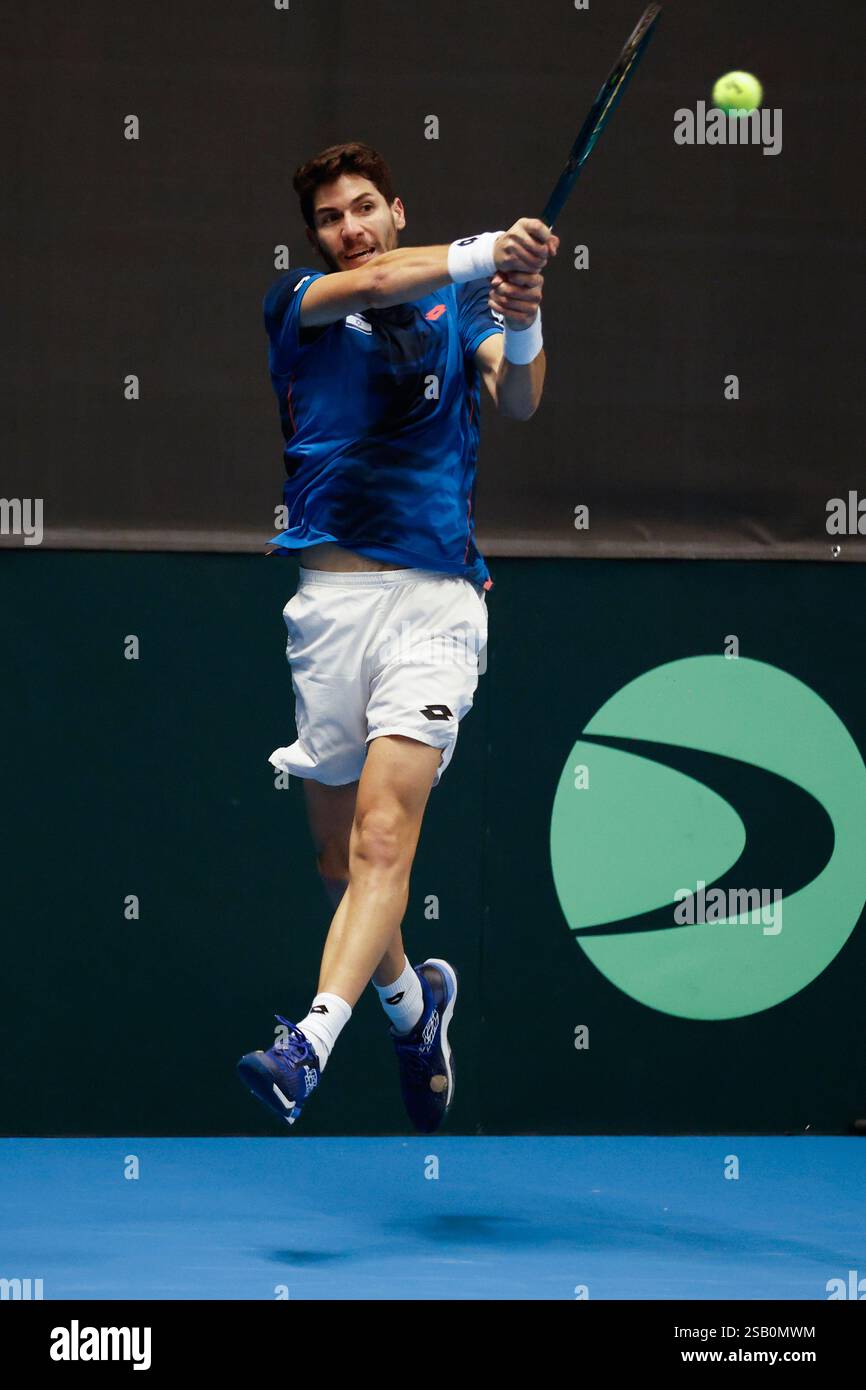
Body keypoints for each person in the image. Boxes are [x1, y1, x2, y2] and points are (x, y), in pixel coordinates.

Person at [237, 141, 558, 1133]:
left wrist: (523, 308)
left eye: (365, 207)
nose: (351, 227)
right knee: (339, 862)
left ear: (395, 207)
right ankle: (414, 1011)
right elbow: (380, 279)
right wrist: (481, 249)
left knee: (383, 835)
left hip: (433, 603)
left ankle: (308, 1042)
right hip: (328, 615)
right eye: (332, 218)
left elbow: (517, 395)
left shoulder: (452, 303)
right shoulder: (302, 304)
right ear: (317, 241)